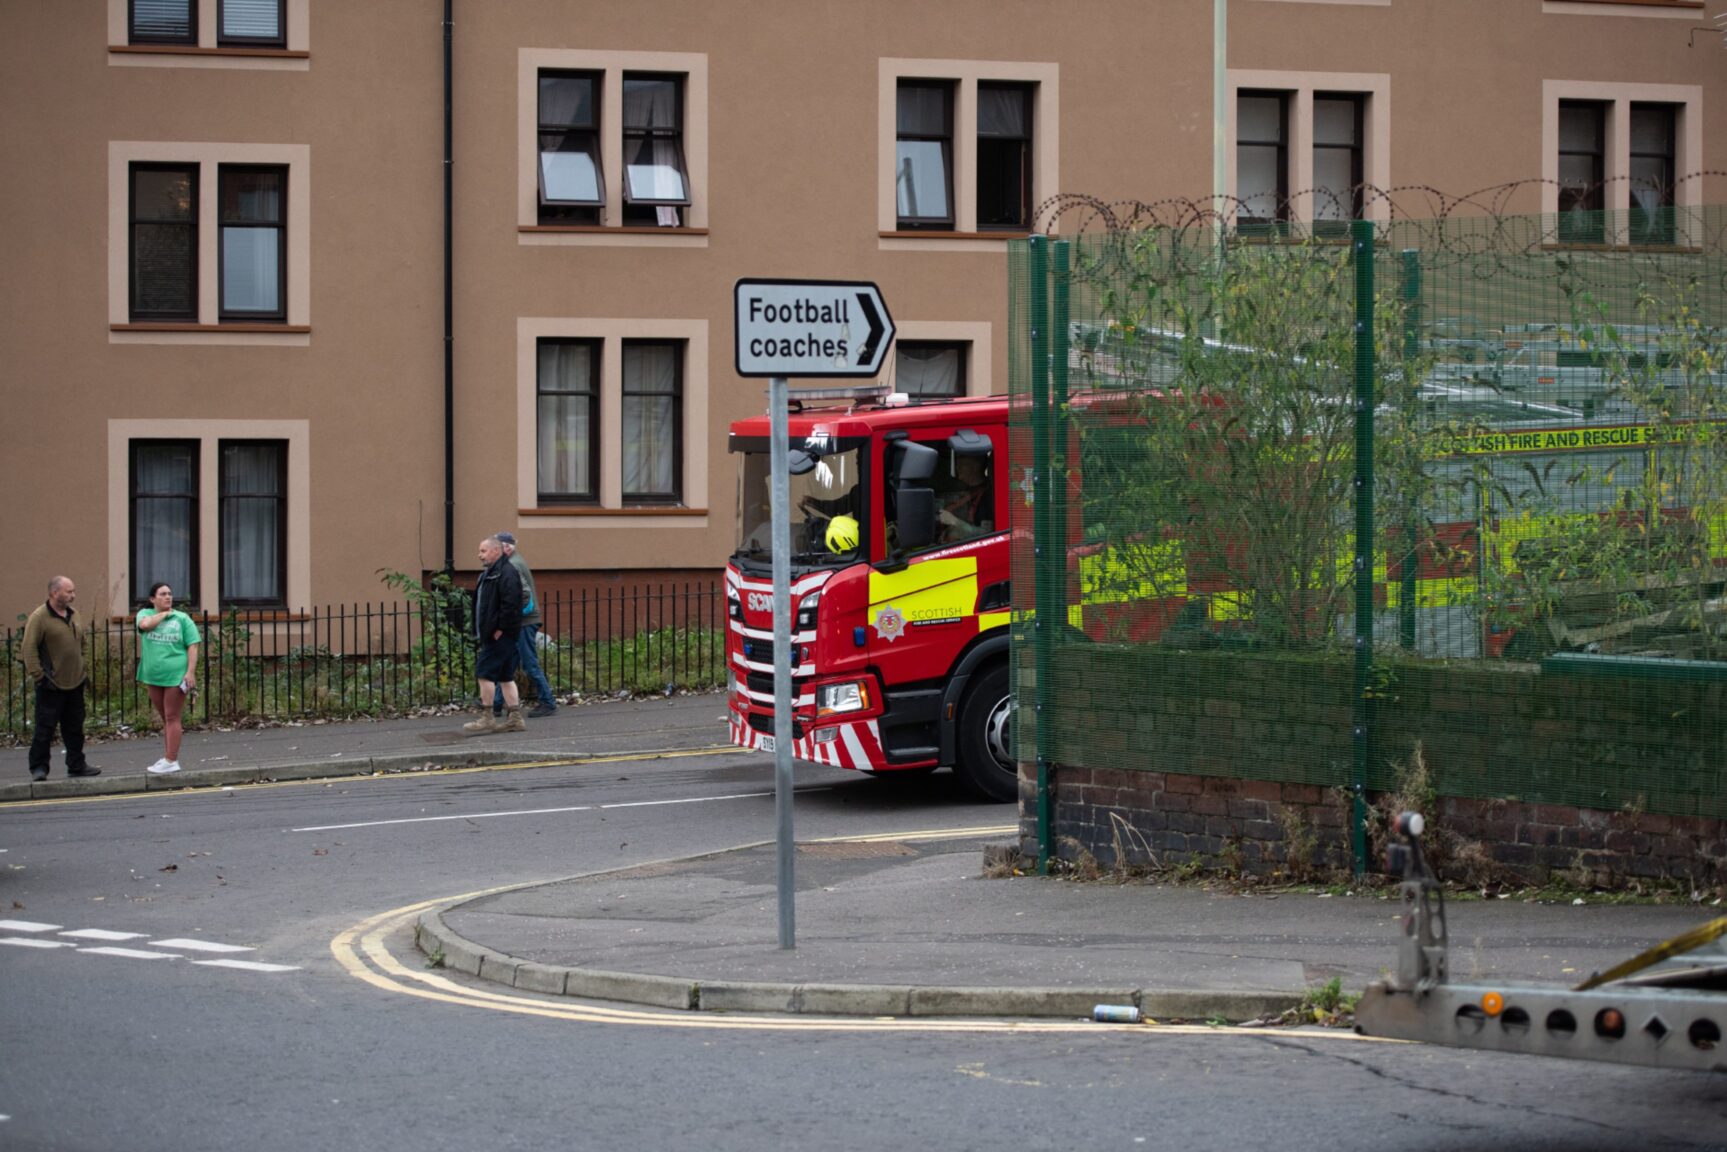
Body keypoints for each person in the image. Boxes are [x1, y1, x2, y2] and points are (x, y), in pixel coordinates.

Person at [21, 576, 99, 782]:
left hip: (75, 681)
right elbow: (28, 648)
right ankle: (39, 767)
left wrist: (83, 665)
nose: (73, 595)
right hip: (51, 683)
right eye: (68, 592)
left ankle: (76, 764)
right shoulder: (40, 617)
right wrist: (39, 676)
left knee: (74, 727)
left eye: (73, 591)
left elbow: (83, 642)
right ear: (54, 593)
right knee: (45, 728)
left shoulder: (74, 615)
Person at [135, 582, 201, 775]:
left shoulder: (182, 619)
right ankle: (167, 757)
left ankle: (171, 760)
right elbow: (145, 626)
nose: (168, 597)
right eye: (162, 594)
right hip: (153, 674)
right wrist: (164, 614)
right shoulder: (145, 614)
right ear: (152, 599)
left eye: (170, 594)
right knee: (165, 717)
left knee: (172, 716)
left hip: (175, 674)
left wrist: (190, 672)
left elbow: (193, 645)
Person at [464, 535, 526, 736]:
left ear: (496, 551)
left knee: (484, 673)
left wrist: (499, 629)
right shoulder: (491, 573)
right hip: (498, 634)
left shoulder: (505, 573)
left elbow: (511, 604)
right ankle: (515, 718)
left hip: (499, 635)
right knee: (505, 676)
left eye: (483, 551)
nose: (479, 555)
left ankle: (488, 717)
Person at [498, 532, 557, 718]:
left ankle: (548, 701)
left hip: (525, 621)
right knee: (509, 661)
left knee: (529, 663)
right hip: (523, 621)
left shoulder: (513, 565)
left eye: (496, 547)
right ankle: (495, 702)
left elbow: (524, 595)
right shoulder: (515, 562)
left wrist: (510, 615)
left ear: (507, 548)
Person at [939, 453, 995, 543]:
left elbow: (987, 535)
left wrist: (954, 521)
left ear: (975, 467)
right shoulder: (961, 489)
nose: (957, 467)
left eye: (962, 464)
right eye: (957, 463)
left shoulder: (989, 495)